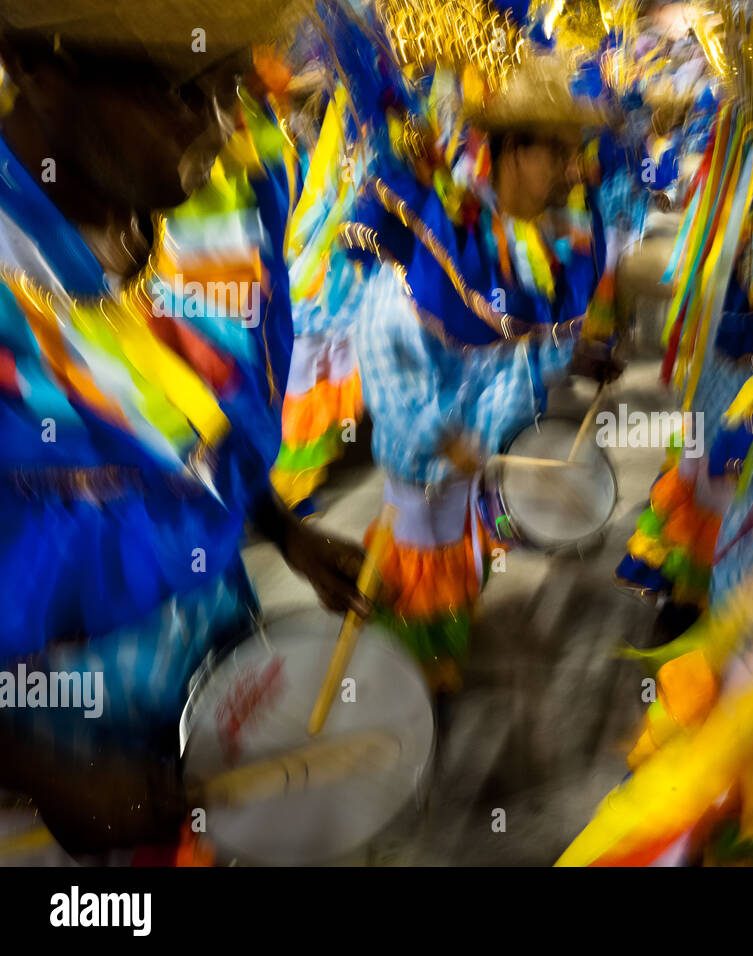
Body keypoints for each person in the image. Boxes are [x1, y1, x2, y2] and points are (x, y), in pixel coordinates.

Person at [0, 3, 368, 855]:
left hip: (212, 667)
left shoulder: (195, 213)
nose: (212, 130)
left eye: (226, 88)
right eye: (176, 90)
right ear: (36, 64)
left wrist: (280, 529)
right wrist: (46, 771)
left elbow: (177, 444)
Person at [343, 33, 619, 688]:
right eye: (551, 148)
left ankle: (440, 652)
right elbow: (384, 350)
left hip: (477, 454)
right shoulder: (445, 250)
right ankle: (407, 676)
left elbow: (523, 350)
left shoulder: (547, 241)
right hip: (426, 450)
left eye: (568, 148)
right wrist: (440, 434)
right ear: (510, 149)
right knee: (422, 543)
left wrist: (572, 357)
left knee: (459, 543)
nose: (567, 165)